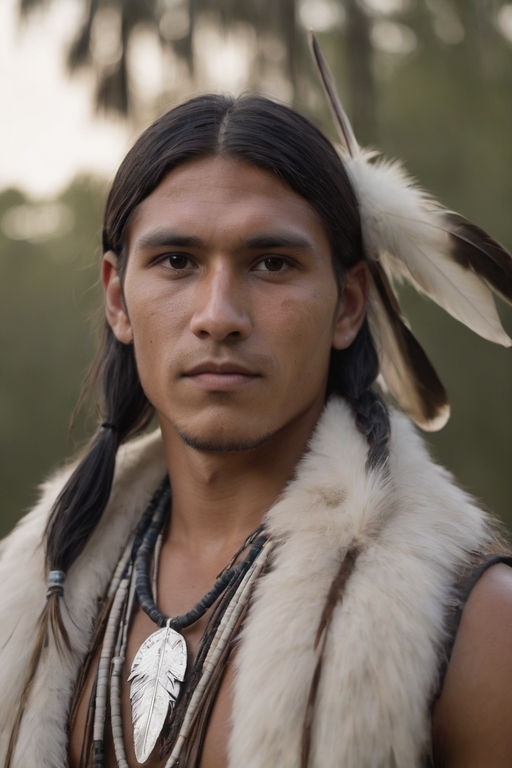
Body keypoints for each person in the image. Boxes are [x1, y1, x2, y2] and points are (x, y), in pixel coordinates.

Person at [1, 85, 512, 768]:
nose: (219, 315)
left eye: (272, 263)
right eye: (177, 261)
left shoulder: (476, 626)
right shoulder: (27, 600)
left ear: (349, 305)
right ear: (118, 299)